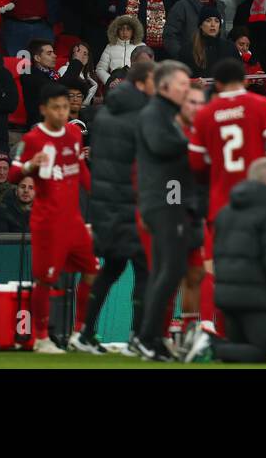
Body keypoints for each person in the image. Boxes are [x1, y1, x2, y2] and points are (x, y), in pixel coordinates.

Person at [184, 57, 266, 355]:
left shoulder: (206, 113)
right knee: (256, 269)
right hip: (257, 202)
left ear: (216, 84)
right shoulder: (261, 105)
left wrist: (215, 168)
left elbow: (195, 163)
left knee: (215, 268)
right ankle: (255, 333)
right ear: (244, 80)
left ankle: (208, 329)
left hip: (221, 204)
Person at [8, 83, 99, 354]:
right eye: (56, 107)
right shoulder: (32, 139)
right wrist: (30, 165)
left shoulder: (74, 133)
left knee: (93, 271)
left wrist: (98, 198)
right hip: (48, 223)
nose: (62, 112)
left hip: (74, 221)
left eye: (65, 107)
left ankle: (79, 333)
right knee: (45, 281)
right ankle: (41, 338)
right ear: (43, 109)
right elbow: (13, 175)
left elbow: (80, 169)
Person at [78, 59, 155, 354]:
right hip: (130, 205)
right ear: (143, 82)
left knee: (112, 269)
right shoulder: (141, 116)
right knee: (146, 269)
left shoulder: (106, 114)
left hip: (107, 206)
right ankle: (138, 337)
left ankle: (86, 333)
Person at [132, 60, 195, 362]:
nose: (186, 89)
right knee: (171, 270)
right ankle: (146, 337)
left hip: (168, 200)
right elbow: (160, 145)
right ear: (166, 86)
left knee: (165, 271)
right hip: (163, 202)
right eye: (182, 84)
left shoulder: (165, 113)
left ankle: (153, 338)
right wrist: (194, 146)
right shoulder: (154, 113)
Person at [209, 157, 266, 363]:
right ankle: (208, 348)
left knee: (239, 355)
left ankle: (209, 345)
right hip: (257, 300)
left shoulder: (225, 212)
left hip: (227, 297)